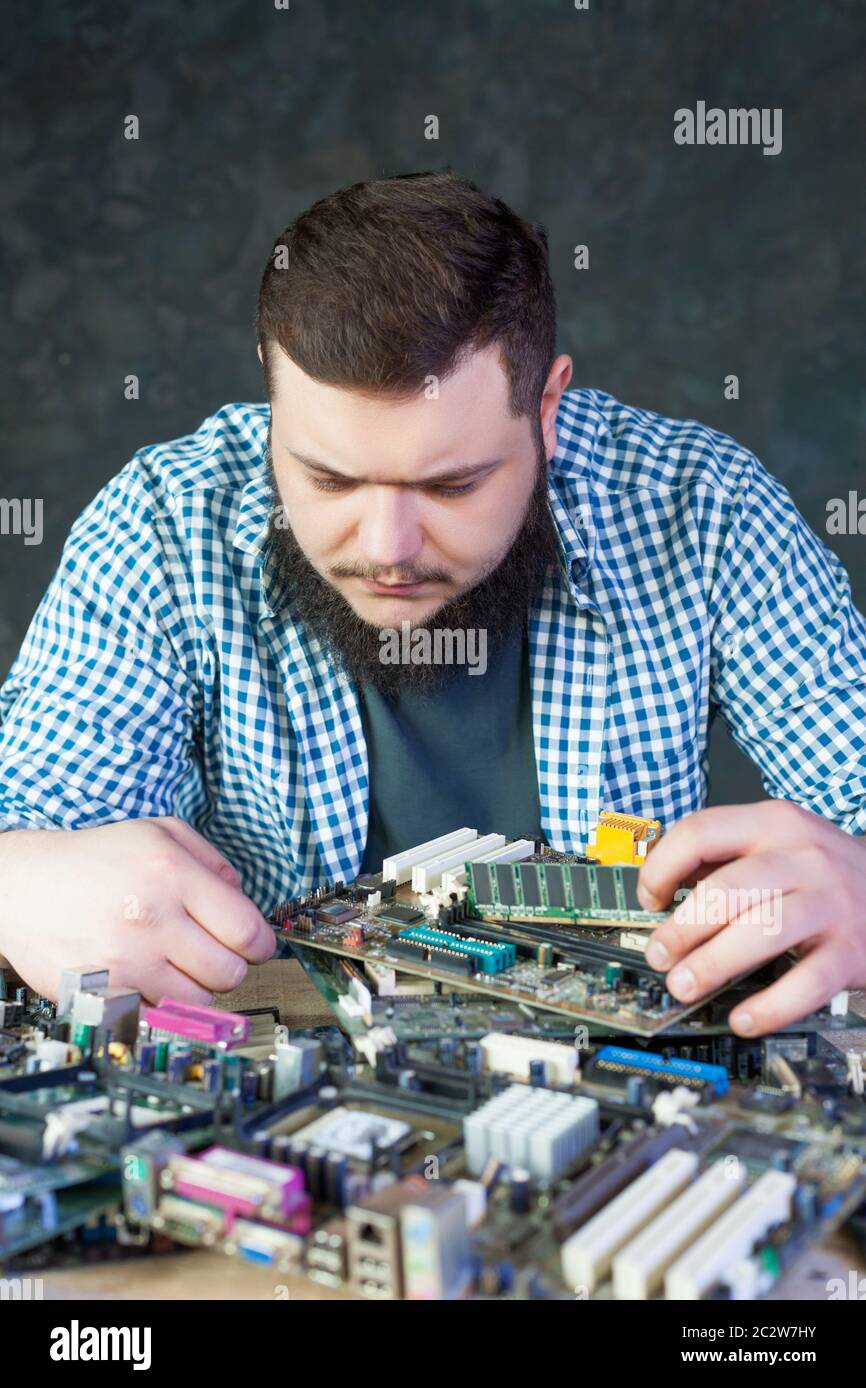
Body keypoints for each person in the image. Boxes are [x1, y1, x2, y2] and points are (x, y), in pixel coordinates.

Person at [1, 170, 864, 1033]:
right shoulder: (164, 519)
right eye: (329, 477)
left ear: (548, 406)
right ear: (272, 393)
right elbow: (32, 814)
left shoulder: (703, 507)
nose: (386, 547)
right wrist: (19, 875)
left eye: (451, 484)